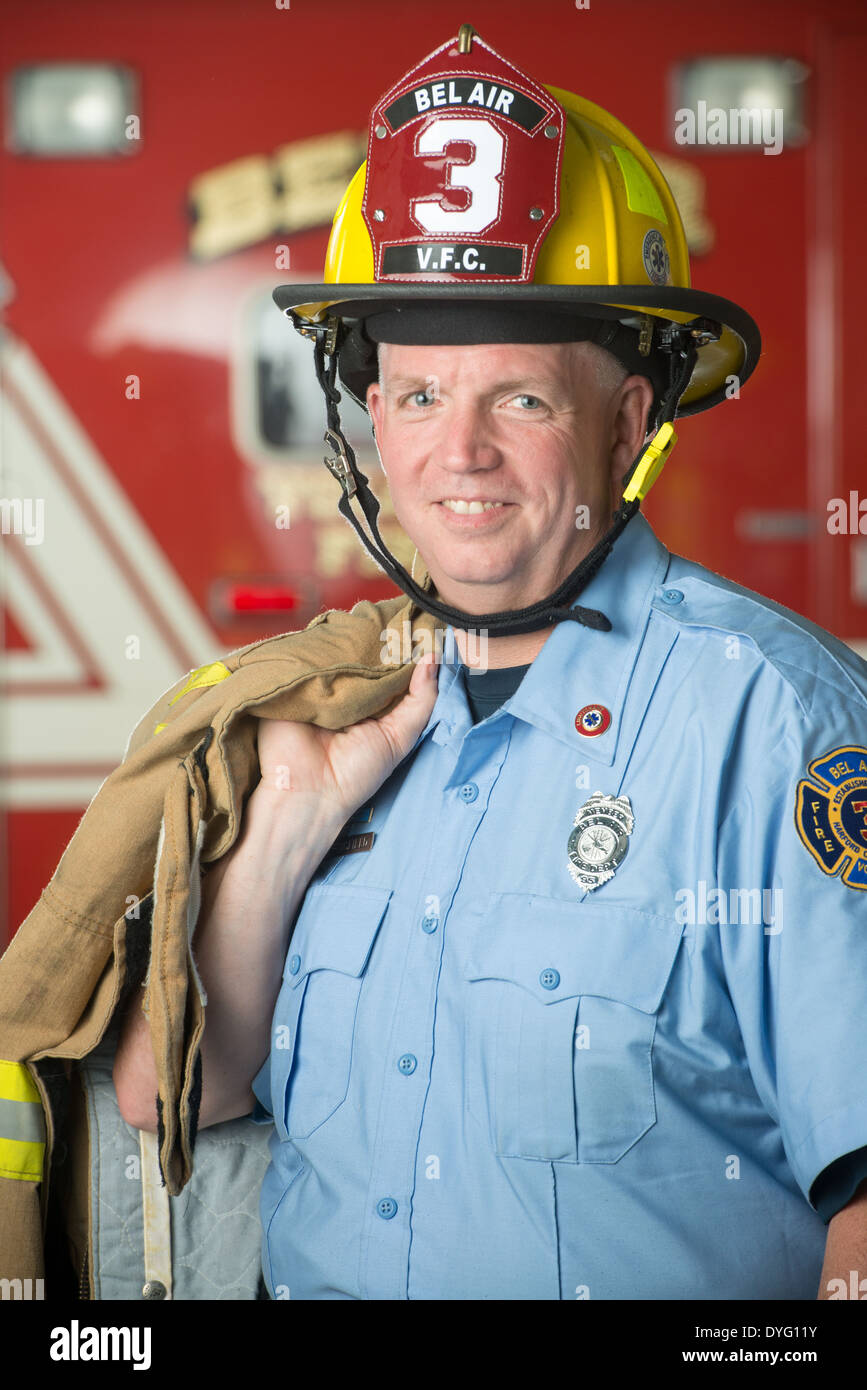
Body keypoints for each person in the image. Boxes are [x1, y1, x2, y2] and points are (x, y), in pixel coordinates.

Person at [114, 25, 867, 1300]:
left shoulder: (767, 723)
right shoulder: (332, 711)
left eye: (517, 397)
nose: (454, 456)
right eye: (415, 398)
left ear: (628, 422)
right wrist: (286, 827)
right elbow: (169, 1095)